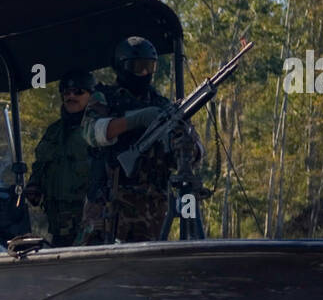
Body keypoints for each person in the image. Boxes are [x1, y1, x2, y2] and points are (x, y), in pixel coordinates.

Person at [77, 36, 201, 244]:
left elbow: (196, 153)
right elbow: (92, 133)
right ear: (122, 67)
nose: (144, 73)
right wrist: (137, 119)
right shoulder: (105, 98)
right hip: (109, 205)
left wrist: (183, 143)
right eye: (138, 67)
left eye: (149, 67)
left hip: (152, 211)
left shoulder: (162, 105)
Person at [25, 68, 94, 246]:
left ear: (91, 95)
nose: (71, 96)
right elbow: (40, 165)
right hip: (57, 227)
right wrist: (34, 185)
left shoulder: (97, 130)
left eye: (78, 92)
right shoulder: (53, 132)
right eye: (66, 92)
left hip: (90, 227)